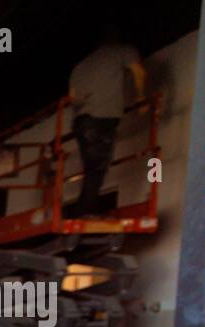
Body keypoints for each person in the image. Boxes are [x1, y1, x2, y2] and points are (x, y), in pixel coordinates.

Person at [67, 27, 146, 217]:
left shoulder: (80, 66)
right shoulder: (123, 51)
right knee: (98, 168)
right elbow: (139, 73)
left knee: (92, 168)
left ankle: (82, 211)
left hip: (81, 122)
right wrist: (141, 99)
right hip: (102, 119)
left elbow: (72, 98)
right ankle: (83, 213)